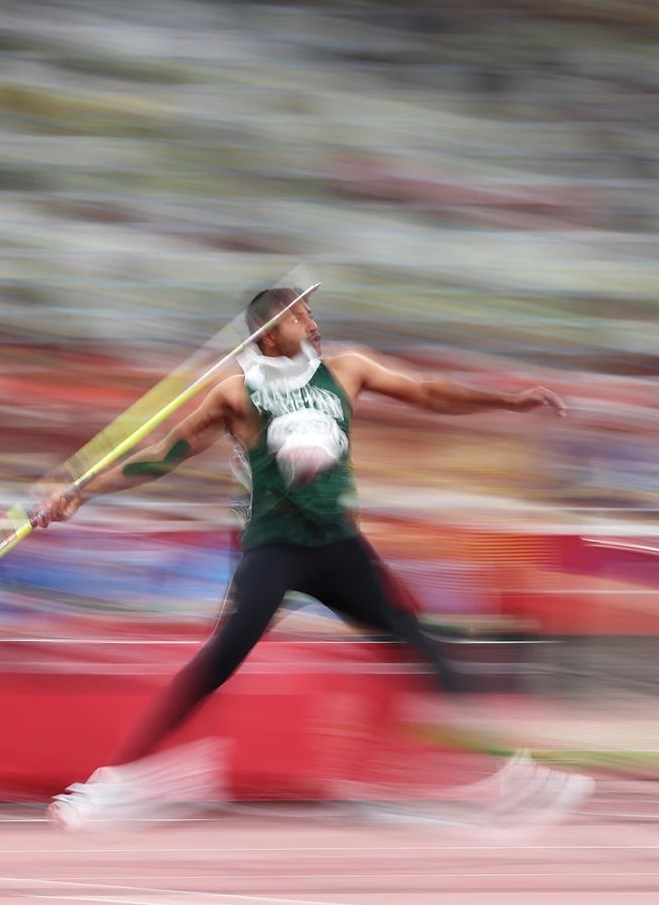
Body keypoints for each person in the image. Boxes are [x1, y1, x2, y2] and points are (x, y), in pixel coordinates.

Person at [32, 284, 585, 828]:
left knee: (420, 643)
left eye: (312, 314)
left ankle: (513, 776)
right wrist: (80, 491)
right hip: (274, 549)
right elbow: (163, 455)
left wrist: (507, 401)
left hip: (338, 547)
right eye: (300, 317)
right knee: (217, 663)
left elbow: (427, 392)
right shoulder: (236, 393)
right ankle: (108, 786)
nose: (315, 325)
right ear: (270, 336)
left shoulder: (347, 369)